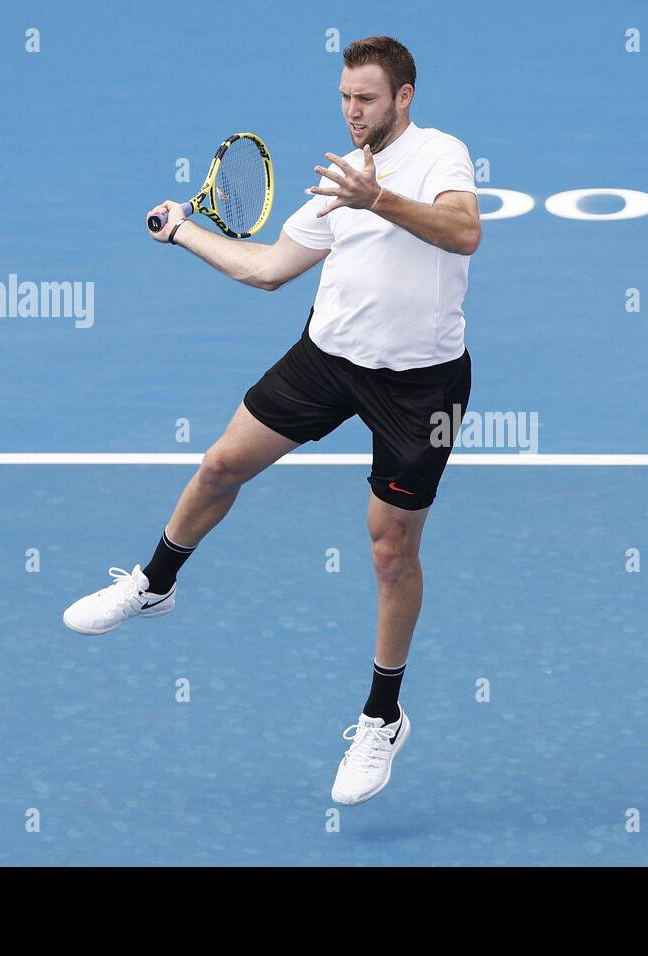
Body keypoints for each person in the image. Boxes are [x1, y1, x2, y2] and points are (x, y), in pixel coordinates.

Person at [62, 35, 480, 806]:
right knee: (221, 464)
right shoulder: (337, 181)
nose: (353, 111)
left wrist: (378, 199)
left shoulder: (439, 156)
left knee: (390, 551)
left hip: (422, 389)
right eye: (345, 97)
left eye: (367, 98)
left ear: (404, 96)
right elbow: (268, 270)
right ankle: (155, 584)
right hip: (328, 359)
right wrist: (182, 231)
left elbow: (465, 233)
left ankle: (382, 718)